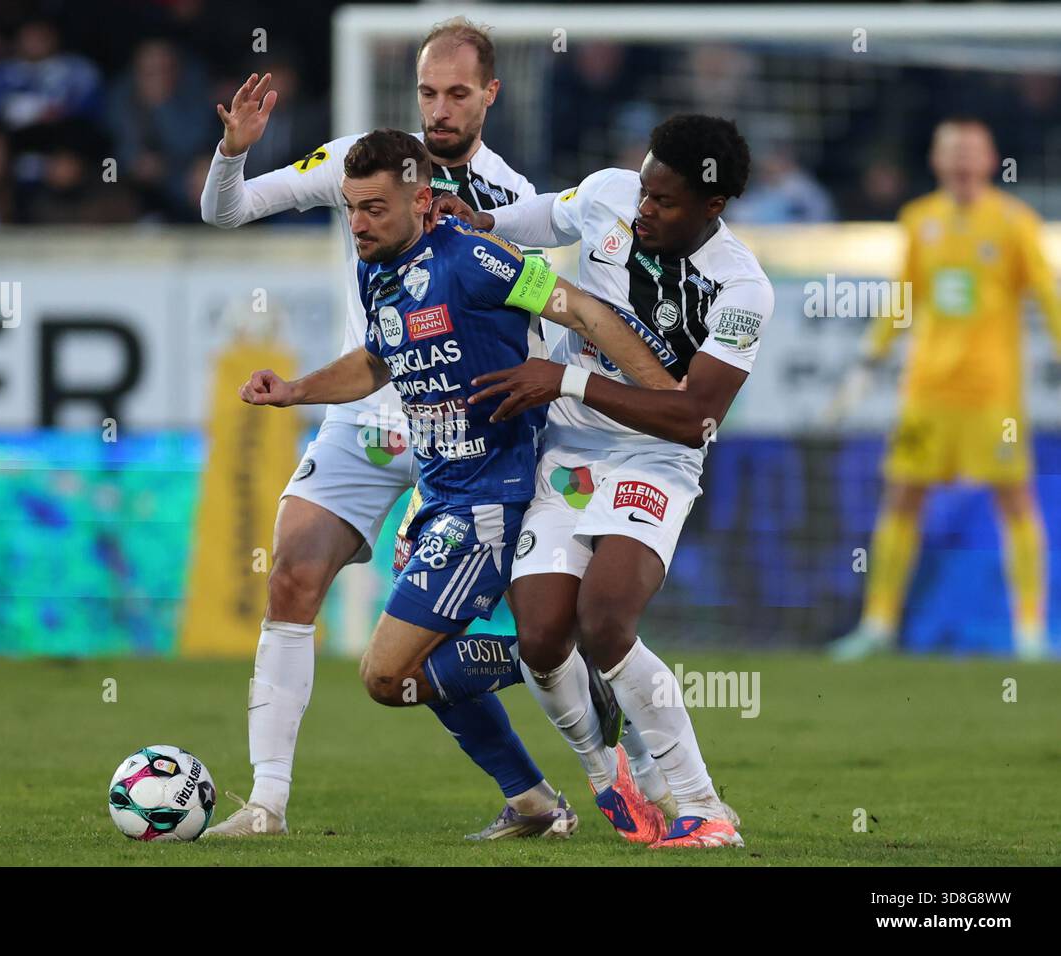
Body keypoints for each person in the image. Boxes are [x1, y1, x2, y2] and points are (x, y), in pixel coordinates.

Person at [200, 18, 640, 836]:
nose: (439, 109)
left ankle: (604, 770)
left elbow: (549, 310)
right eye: (428, 92)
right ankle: (266, 803)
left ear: (490, 96)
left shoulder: (510, 199)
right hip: (376, 408)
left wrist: (608, 395)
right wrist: (235, 152)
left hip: (474, 434)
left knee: (481, 633)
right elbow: (226, 214)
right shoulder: (354, 160)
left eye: (457, 94)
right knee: (293, 571)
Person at [434, 114, 773, 847]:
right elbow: (551, 211)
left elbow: (694, 420)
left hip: (654, 456)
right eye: (644, 190)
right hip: (565, 451)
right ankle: (611, 774)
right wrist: (484, 216)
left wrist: (568, 379)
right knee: (543, 638)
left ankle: (705, 809)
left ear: (712, 207)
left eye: (665, 201)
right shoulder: (612, 193)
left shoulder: (741, 289)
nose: (644, 208)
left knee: (608, 619)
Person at [829, 117, 1061, 661]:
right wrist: (868, 360)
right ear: (937, 161)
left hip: (992, 395)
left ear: (989, 159)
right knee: (903, 498)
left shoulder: (1013, 222)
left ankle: (1030, 632)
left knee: (1016, 501)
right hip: (927, 392)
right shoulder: (919, 220)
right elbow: (902, 300)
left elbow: (1047, 295)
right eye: (951, 152)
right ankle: (879, 625)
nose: (961, 162)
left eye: (971, 152)